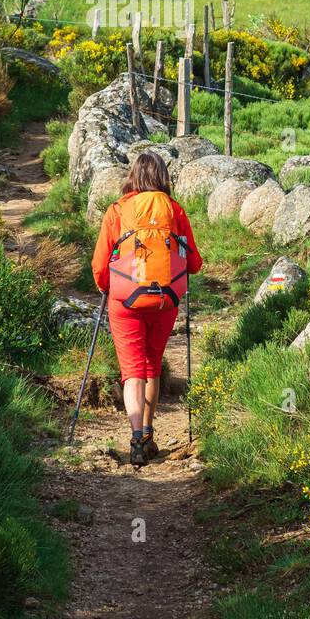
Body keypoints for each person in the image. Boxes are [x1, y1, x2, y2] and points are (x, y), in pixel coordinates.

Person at [91, 149, 202, 466]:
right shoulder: (175, 211)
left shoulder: (117, 211)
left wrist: (104, 285)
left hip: (124, 300)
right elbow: (194, 263)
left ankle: (137, 437)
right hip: (165, 300)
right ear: (163, 178)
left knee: (133, 371)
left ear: (133, 177)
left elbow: (100, 265)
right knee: (152, 364)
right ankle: (149, 434)